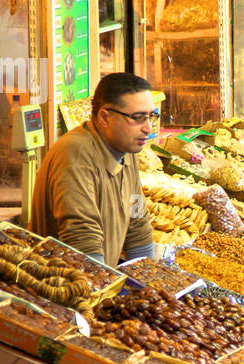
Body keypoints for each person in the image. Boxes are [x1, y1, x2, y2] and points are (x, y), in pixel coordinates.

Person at [30, 72, 156, 266]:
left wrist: (149, 278)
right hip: (62, 285)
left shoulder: (127, 150)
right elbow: (82, 236)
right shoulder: (75, 152)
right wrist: (102, 290)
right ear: (104, 117)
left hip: (100, 277)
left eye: (150, 117)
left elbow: (137, 220)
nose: (148, 128)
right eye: (138, 118)